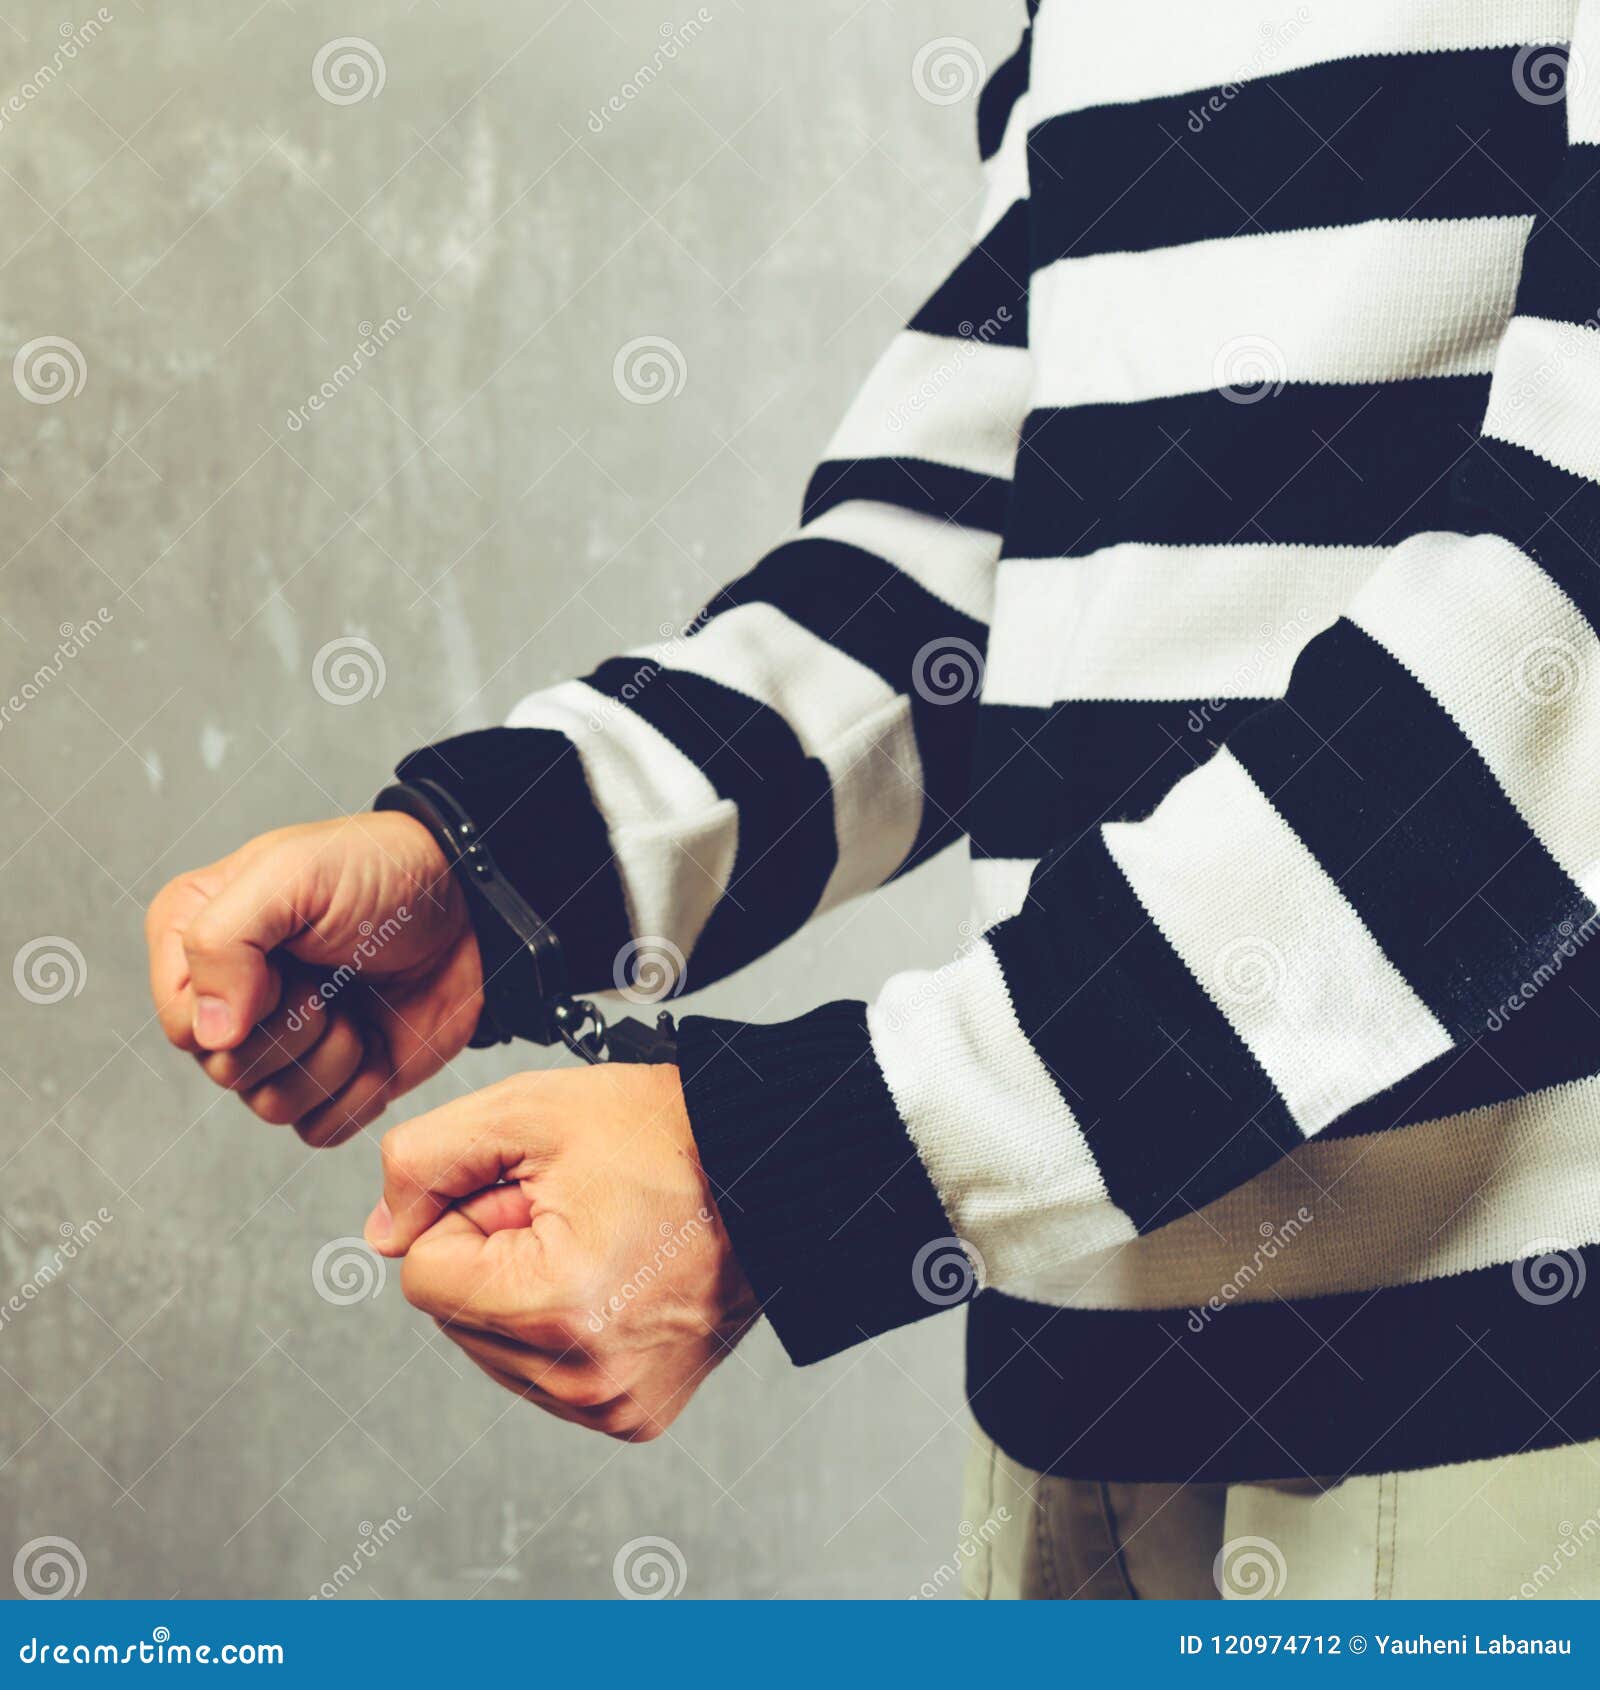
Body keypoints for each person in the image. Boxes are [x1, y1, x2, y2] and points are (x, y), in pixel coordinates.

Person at [146, 3, 1600, 1599]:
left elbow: (1568, 644)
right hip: (1080, 1344)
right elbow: (979, 542)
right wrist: (514, 868)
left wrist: (809, 1167)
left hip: (1511, 1400)